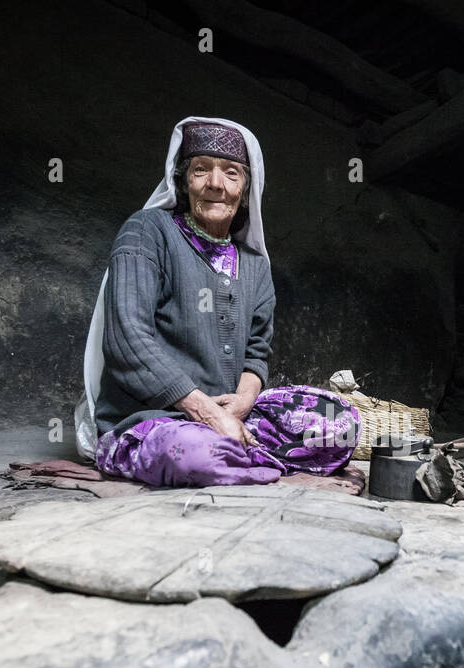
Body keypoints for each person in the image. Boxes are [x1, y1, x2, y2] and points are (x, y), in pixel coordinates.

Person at [73, 116, 359, 487]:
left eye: (231, 172)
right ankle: (245, 460)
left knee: (340, 423)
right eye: (200, 170)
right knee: (195, 453)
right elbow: (127, 340)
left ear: (245, 189)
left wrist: (240, 403)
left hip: (229, 415)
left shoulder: (254, 265)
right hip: (153, 418)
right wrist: (208, 414)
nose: (215, 184)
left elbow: (257, 352)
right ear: (182, 180)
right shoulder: (146, 232)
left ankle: (238, 458)